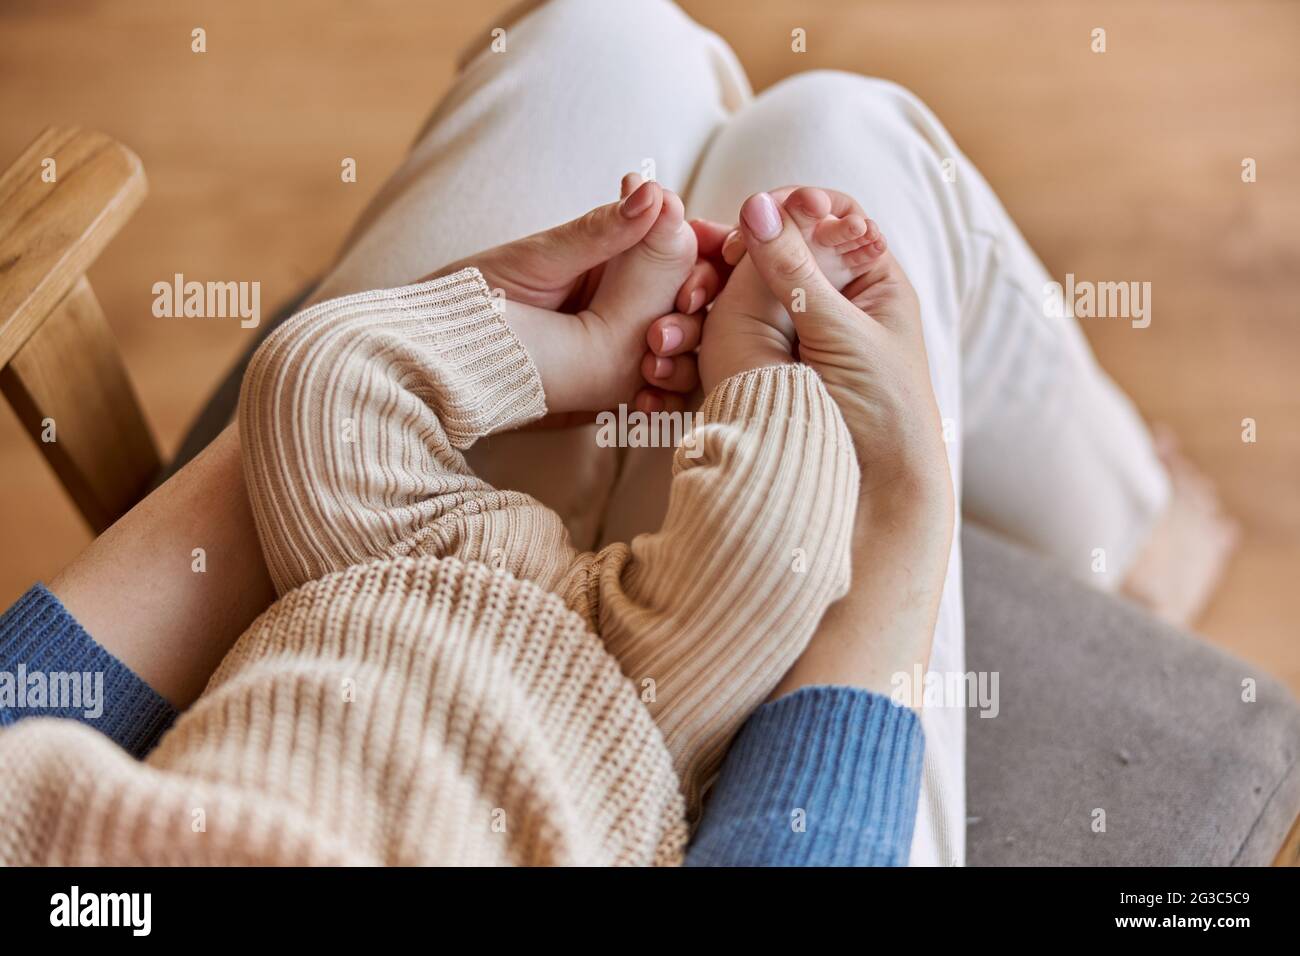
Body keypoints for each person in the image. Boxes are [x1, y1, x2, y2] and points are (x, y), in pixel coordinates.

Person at [0, 0, 1234, 866]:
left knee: (604, 40)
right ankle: (1129, 535)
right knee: (844, 144)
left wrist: (547, 356)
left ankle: (637, 344)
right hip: (631, 723)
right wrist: (881, 493)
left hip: (371, 591)